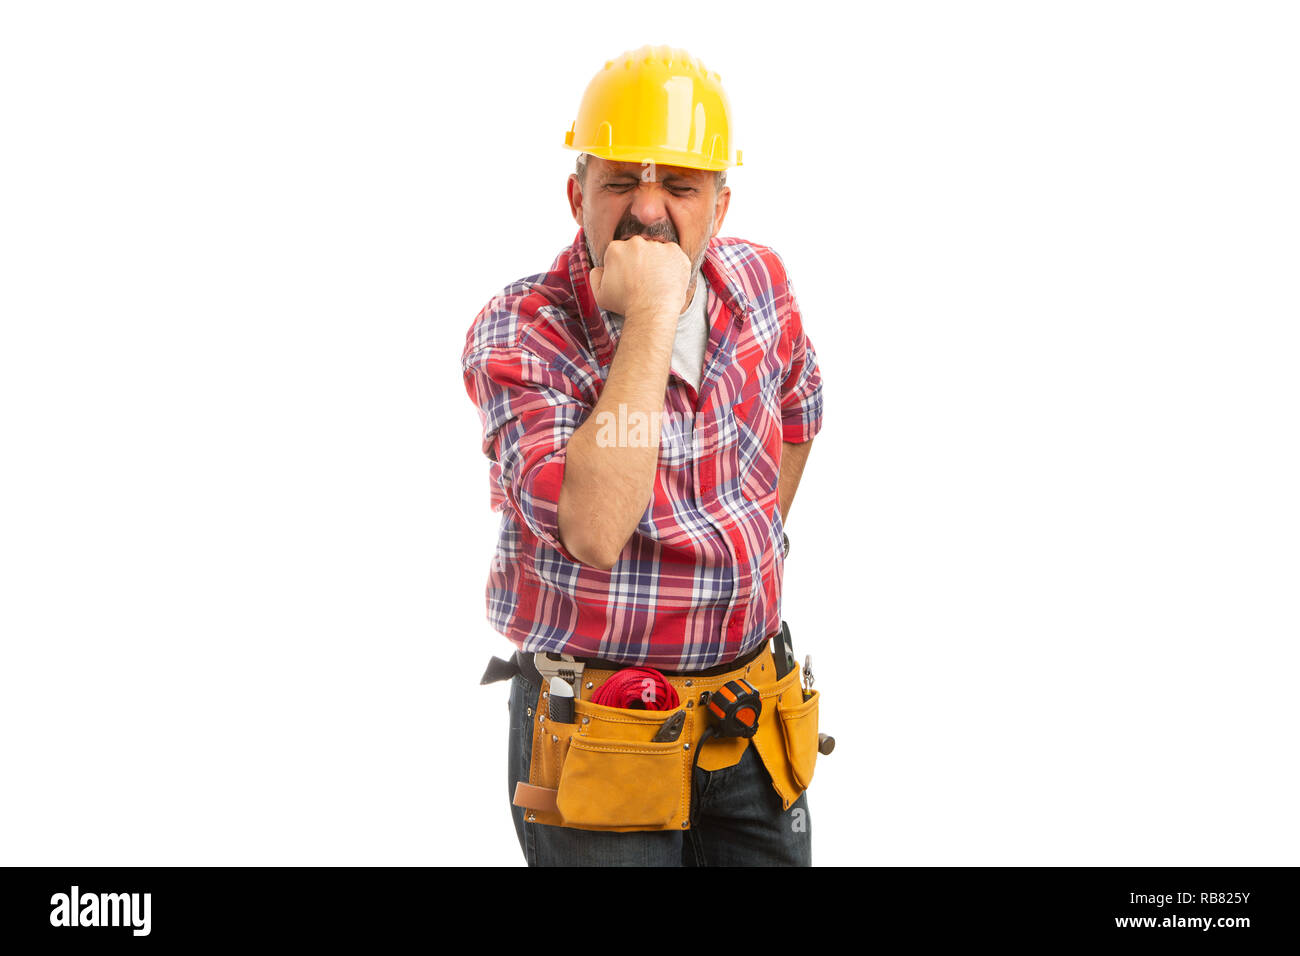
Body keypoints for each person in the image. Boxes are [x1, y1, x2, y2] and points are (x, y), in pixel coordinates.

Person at [462, 45, 825, 866]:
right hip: (597, 729)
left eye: (680, 185)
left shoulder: (761, 285)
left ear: (721, 205)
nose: (648, 210)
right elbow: (592, 529)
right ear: (577, 194)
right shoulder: (523, 333)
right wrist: (657, 310)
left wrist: (753, 547)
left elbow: (801, 408)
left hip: (750, 718)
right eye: (622, 181)